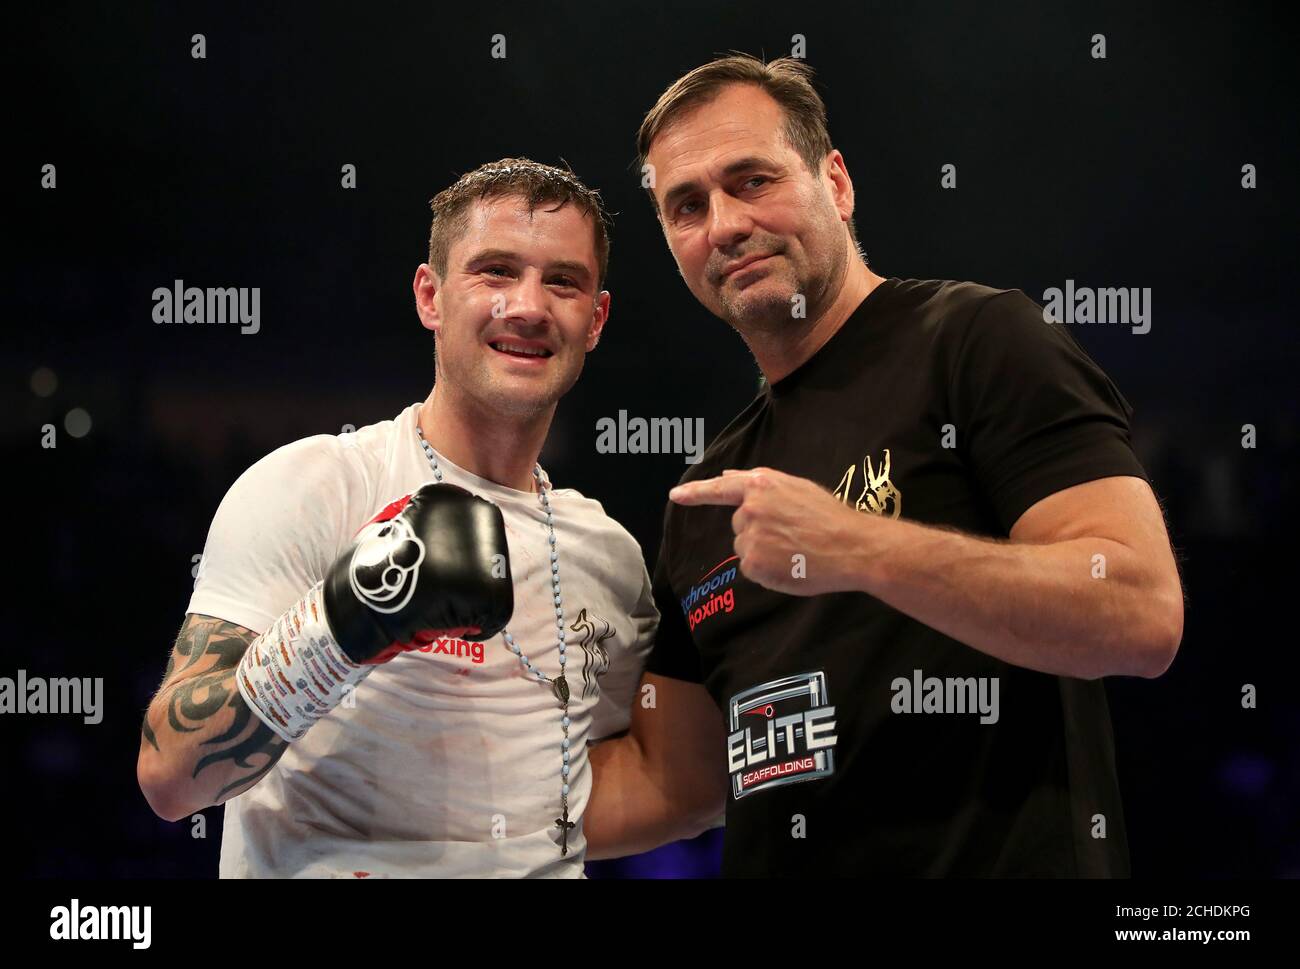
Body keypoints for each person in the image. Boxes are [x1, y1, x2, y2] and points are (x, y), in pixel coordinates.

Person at [585, 55, 1184, 876]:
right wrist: (408, 796)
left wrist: (857, 545)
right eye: (686, 206)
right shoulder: (705, 492)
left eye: (752, 180)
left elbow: (1141, 609)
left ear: (836, 182)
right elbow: (671, 780)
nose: (723, 224)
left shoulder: (977, 341)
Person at [137, 158, 658, 878]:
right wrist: (347, 618)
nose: (529, 306)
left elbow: (630, 777)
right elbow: (171, 776)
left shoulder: (611, 559)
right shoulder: (314, 487)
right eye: (496, 271)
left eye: (562, 281)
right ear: (430, 296)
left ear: (596, 318)